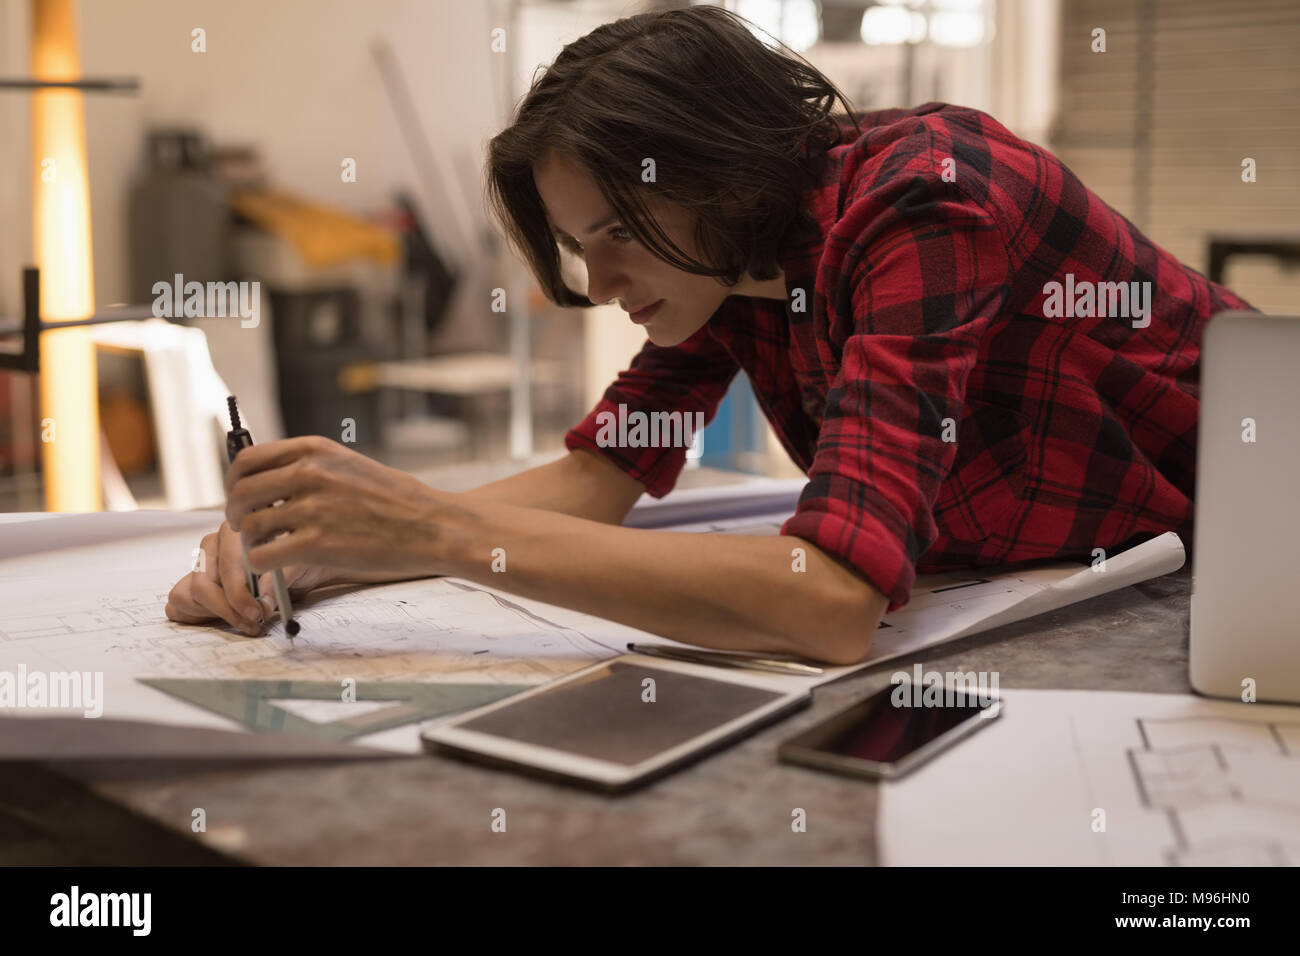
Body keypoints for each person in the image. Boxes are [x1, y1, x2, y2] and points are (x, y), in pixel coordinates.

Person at [165, 7, 1253, 665]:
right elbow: (599, 478)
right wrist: (329, 552)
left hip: (1258, 539)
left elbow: (829, 603)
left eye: (614, 233)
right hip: (1099, 571)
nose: (598, 282)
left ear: (715, 172)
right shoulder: (728, 265)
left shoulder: (926, 201)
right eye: (575, 245)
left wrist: (431, 532)